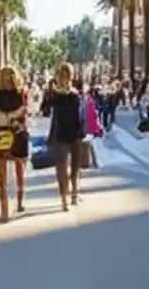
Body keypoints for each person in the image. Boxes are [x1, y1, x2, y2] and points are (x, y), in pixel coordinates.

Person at [0, 65, 29, 223]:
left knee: (2, 175)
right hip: (17, 133)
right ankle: (19, 202)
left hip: (0, 134)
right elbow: (25, 112)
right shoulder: (22, 92)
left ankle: (4, 210)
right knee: (20, 168)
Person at [47, 62, 86, 210]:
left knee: (62, 167)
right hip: (75, 133)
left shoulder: (55, 94)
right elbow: (81, 117)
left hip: (61, 133)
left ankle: (64, 198)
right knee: (75, 167)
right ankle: (74, 194)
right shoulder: (76, 94)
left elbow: (45, 109)